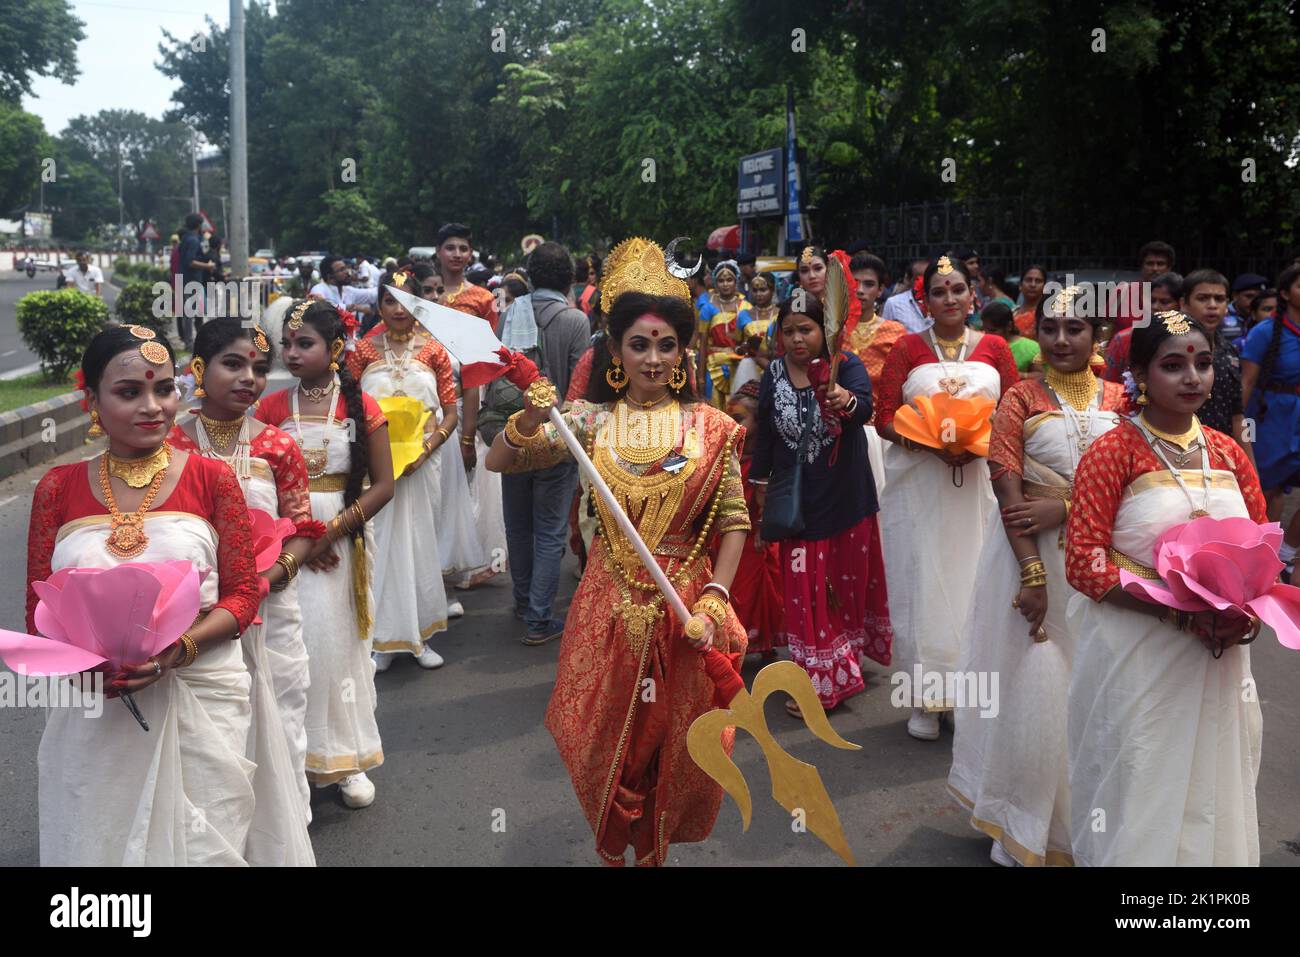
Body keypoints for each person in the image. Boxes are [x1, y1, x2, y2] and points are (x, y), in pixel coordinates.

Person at [485, 236, 751, 865]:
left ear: (684, 351)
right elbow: (499, 459)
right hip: (607, 608)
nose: (653, 359)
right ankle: (614, 851)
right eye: (639, 345)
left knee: (672, 750)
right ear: (616, 350)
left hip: (688, 611)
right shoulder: (589, 424)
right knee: (610, 746)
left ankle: (654, 853)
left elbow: (734, 520)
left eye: (665, 345)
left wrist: (716, 597)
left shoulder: (710, 429)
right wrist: (532, 414)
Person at [27, 325, 261, 864]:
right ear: (92, 402)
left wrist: (177, 651)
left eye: (164, 389)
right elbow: (39, 611)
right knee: (100, 840)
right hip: (94, 702)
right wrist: (82, 665)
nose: (153, 407)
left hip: (201, 688)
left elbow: (243, 594)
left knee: (203, 843)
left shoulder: (213, 479)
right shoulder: (57, 489)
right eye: (129, 392)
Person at [1064, 310, 1266, 865]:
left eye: (1202, 364)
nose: (1192, 378)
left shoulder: (1229, 453)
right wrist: (1179, 612)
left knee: (1213, 776)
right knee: (1141, 775)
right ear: (1141, 375)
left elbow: (1260, 556)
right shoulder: (1113, 451)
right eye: (1173, 366)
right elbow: (1084, 562)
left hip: (1216, 653)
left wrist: (1242, 614)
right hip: (1137, 647)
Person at [948, 293, 1128, 867]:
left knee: (1095, 694)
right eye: (1049, 328)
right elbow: (1008, 490)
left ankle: (1085, 825)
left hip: (1101, 563)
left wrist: (1069, 508)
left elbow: (1135, 486)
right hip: (1032, 561)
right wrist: (1032, 576)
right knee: (1029, 695)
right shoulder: (1019, 398)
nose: (1061, 340)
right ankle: (1018, 821)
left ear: (1096, 334)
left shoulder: (1124, 401)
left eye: (1075, 328)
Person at [167, 318, 319, 861]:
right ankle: (215, 844)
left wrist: (262, 581)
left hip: (273, 610)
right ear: (199, 370)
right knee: (210, 739)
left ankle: (282, 840)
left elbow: (301, 532)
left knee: (282, 720)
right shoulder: (170, 443)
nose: (249, 378)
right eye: (233, 364)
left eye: (259, 368)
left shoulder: (279, 445)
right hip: (196, 621)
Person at [258, 299, 395, 809]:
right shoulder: (271, 408)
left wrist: (329, 534)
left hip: (342, 545)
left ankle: (345, 761)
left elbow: (382, 487)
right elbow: (259, 485)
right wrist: (298, 538)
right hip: (285, 542)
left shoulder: (362, 408)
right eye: (286, 344)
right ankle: (293, 762)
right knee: (292, 651)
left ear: (334, 349)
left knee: (337, 648)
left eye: (304, 344)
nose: (291, 353)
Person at [875, 256, 1019, 740]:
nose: (950, 298)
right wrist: (932, 444)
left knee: (978, 583)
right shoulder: (907, 348)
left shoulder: (996, 347)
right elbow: (884, 418)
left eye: (958, 289)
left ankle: (966, 698)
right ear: (925, 300)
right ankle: (923, 701)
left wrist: (978, 444)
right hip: (921, 485)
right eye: (939, 292)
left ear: (972, 294)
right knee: (921, 582)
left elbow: (1016, 413)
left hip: (980, 485)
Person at [751, 297, 891, 711]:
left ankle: (842, 661)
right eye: (789, 330)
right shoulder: (774, 374)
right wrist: (759, 485)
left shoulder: (844, 366)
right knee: (805, 591)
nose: (797, 338)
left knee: (844, 586)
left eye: (806, 329)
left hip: (846, 496)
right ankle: (818, 681)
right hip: (798, 502)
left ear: (823, 331)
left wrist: (844, 399)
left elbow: (866, 407)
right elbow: (765, 435)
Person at [349, 271, 457, 671]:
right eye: (390, 301)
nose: (398, 309)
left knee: (418, 544)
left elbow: (450, 413)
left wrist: (426, 449)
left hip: (421, 465)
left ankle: (419, 635)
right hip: (374, 470)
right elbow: (350, 410)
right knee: (379, 546)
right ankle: (380, 640)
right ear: (379, 307)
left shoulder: (434, 351)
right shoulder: (361, 351)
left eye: (406, 300)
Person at [496, 241, 590, 645]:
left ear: (529, 276)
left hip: (514, 431)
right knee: (550, 529)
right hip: (557, 434)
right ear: (569, 279)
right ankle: (539, 618)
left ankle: (522, 601)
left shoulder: (510, 313)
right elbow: (578, 385)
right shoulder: (574, 321)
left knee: (518, 526)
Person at [1241, 266, 1300, 576]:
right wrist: (1238, 424)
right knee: (1269, 490)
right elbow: (1246, 382)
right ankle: (1261, 555)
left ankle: (1287, 553)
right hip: (1272, 416)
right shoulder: (1265, 331)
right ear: (1285, 293)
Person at [720, 381, 783, 657]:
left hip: (755, 538)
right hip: (728, 538)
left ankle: (761, 642)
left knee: (760, 590)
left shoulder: (764, 463)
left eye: (739, 418)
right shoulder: (728, 456)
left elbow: (767, 501)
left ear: (759, 422)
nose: (731, 424)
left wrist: (761, 529)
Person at [845, 251, 906, 496]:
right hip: (838, 432)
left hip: (881, 432)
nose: (860, 290)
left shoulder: (896, 332)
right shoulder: (830, 331)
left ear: (880, 290)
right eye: (854, 283)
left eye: (869, 284)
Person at [1179, 269, 1252, 457]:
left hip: (1223, 454)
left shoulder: (1230, 351)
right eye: (1203, 298)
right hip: (1179, 452)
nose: (1212, 305)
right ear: (1183, 304)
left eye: (1219, 299)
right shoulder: (1167, 351)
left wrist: (1250, 463)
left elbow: (1238, 416)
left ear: (1227, 305)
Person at [1102, 271, 1182, 384]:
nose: (1155, 307)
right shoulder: (1124, 339)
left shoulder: (1192, 339)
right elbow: (1107, 387)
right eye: (1152, 301)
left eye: (1164, 302)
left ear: (1181, 304)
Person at [697, 260, 751, 408]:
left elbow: (752, 341)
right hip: (714, 365)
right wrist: (700, 378)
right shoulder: (707, 309)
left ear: (736, 281)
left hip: (740, 366)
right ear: (715, 283)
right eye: (721, 280)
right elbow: (702, 344)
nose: (725, 284)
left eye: (729, 280)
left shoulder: (746, 307)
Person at [434, 223, 498, 328]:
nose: (457, 255)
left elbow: (491, 342)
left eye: (463, 249)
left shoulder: (484, 298)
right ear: (438, 251)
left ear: (470, 254)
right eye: (450, 248)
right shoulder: (422, 293)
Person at [1110, 240, 1176, 337]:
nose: (1155, 268)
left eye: (1160, 264)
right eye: (1150, 263)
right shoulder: (1122, 292)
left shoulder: (1178, 296)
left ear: (1169, 268)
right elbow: (1104, 326)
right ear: (1142, 266)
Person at [178, 213, 216, 348]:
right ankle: (189, 343)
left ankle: (196, 341)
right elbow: (190, 262)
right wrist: (208, 266)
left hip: (185, 279)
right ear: (199, 225)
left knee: (194, 313)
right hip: (192, 280)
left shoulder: (186, 239)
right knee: (191, 313)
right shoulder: (193, 241)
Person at [981, 300, 1042, 376]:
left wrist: (1018, 375)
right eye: (984, 330)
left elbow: (1041, 376)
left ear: (1009, 326)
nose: (987, 334)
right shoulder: (982, 345)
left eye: (993, 330)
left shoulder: (1030, 348)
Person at [311, 255, 378, 318]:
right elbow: (322, 307)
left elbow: (371, 294)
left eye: (346, 268)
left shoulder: (348, 290)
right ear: (330, 276)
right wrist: (350, 307)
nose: (347, 272)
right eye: (342, 270)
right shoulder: (318, 289)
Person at [882, 258, 930, 332]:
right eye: (918, 279)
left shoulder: (939, 303)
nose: (923, 283)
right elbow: (885, 336)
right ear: (909, 279)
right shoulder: (894, 303)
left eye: (927, 278)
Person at [1226, 273, 1267, 345]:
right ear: (1235, 296)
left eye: (1259, 297)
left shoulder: (1264, 317)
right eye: (1249, 296)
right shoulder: (1221, 315)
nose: (1254, 301)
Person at [1014, 264, 1046, 335]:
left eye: (1038, 281)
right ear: (1020, 286)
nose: (1033, 285)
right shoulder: (1012, 313)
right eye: (1028, 280)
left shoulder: (1047, 314)